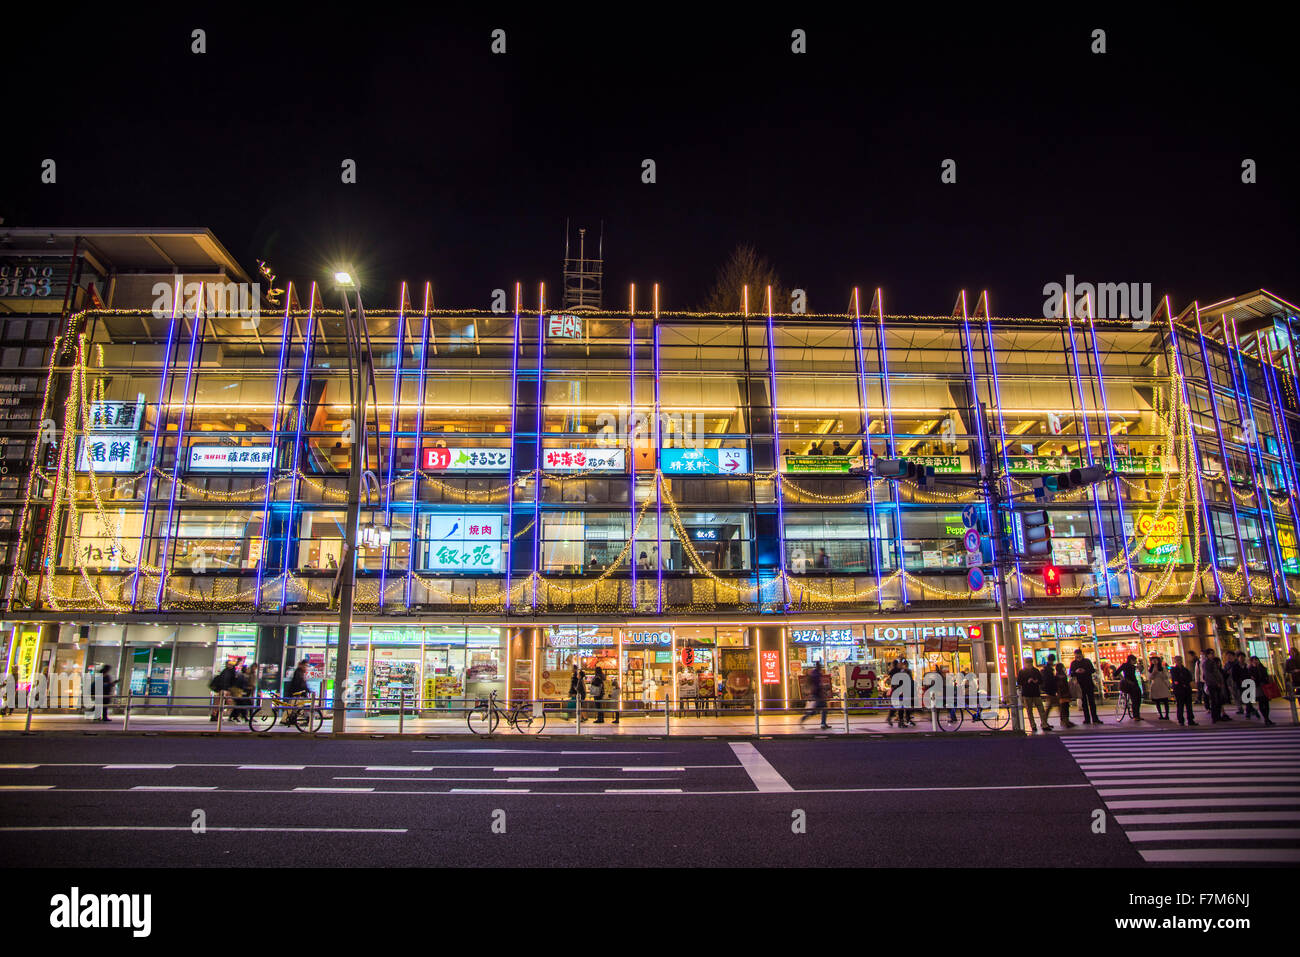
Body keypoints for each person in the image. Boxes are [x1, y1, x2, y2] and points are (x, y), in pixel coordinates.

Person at [1017, 657, 1051, 732]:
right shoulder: (1022, 671)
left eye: (1030, 663)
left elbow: (1041, 681)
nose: (1029, 665)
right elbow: (1019, 682)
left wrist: (1036, 681)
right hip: (1027, 693)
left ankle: (1044, 724)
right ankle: (1033, 725)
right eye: (1028, 663)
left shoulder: (1036, 671)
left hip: (1036, 692)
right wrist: (1027, 681)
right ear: (1025, 663)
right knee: (1029, 711)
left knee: (1041, 709)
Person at [1069, 649, 1100, 725]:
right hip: (1080, 685)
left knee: (1091, 702)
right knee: (1084, 703)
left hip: (1088, 683)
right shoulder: (1073, 663)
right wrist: (1076, 672)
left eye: (1079, 655)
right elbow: (1071, 673)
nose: (1078, 657)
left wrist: (1085, 670)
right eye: (1076, 656)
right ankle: (1087, 719)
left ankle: (1094, 718)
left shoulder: (1087, 661)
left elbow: (1092, 670)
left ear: (1081, 654)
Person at [1246, 655, 1277, 726]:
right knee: (1261, 702)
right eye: (1253, 660)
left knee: (1266, 703)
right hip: (1257, 688)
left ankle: (1267, 718)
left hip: (1265, 687)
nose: (1255, 662)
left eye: (1256, 660)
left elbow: (1265, 676)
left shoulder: (1262, 668)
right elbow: (1252, 678)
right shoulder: (1250, 669)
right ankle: (1266, 718)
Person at [798, 661, 830, 729]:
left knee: (821, 709)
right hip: (817, 695)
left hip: (816, 694)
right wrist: (822, 692)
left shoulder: (814, 673)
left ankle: (823, 723)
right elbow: (818, 685)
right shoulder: (816, 674)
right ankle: (823, 724)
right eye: (820, 666)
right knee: (818, 710)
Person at [1202, 650, 1229, 722]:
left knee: (1218, 700)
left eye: (1213, 653)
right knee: (1214, 700)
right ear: (1207, 655)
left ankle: (1218, 716)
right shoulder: (1207, 663)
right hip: (1212, 684)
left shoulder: (1212, 662)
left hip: (1217, 684)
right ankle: (1215, 717)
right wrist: (1216, 682)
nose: (1213, 655)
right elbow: (1208, 675)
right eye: (1211, 654)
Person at [1169, 655, 1196, 726]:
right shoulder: (1173, 670)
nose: (1179, 661)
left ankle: (1190, 719)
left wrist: (1185, 682)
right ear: (1175, 661)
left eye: (1180, 660)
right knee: (1180, 705)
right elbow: (1175, 679)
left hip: (1186, 689)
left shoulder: (1185, 669)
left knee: (1189, 705)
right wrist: (1182, 683)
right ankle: (1181, 720)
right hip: (1179, 690)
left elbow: (1190, 677)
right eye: (1177, 660)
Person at [1114, 654, 1143, 720]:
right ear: (1131, 660)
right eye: (1134, 660)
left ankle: (1136, 715)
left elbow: (1116, 673)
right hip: (1132, 684)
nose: (1135, 661)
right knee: (1136, 699)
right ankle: (1136, 715)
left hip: (1127, 684)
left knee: (1135, 699)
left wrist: (1123, 678)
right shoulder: (1132, 667)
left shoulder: (1125, 665)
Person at [285, 659, 312, 727]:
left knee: (295, 707)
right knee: (296, 707)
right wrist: (307, 690)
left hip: (298, 693)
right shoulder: (299, 672)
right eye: (305, 666)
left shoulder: (300, 672)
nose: (306, 667)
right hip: (297, 694)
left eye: (307, 666)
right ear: (302, 665)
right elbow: (300, 684)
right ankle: (288, 720)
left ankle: (290, 720)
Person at [1054, 662, 1075, 727]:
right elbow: (1065, 685)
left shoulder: (1057, 676)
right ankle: (1066, 721)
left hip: (1061, 694)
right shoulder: (1063, 676)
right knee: (1065, 708)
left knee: (1063, 708)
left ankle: (1064, 721)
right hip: (1064, 694)